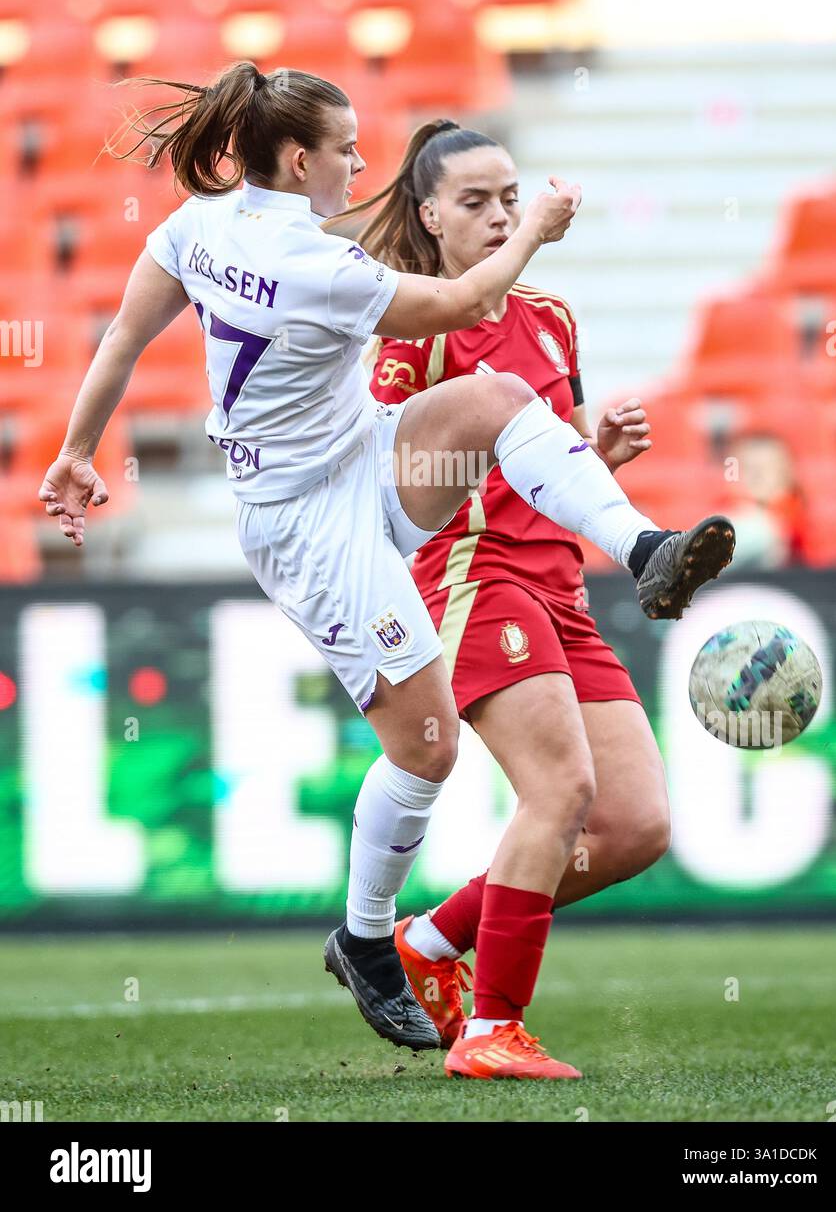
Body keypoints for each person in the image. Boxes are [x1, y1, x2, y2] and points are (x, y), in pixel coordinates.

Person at [36, 63, 735, 1066]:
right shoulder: (316, 269)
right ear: (297, 158)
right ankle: (369, 940)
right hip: (308, 524)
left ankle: (643, 546)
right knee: (429, 746)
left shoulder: (197, 225)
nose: (361, 161)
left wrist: (73, 448)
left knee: (495, 399)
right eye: (347, 146)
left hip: (360, 452)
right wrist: (533, 227)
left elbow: (123, 334)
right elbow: (459, 303)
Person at [353, 120, 689, 1077]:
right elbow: (393, 468)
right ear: (427, 217)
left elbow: (555, 449)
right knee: (560, 791)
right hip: (472, 575)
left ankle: (423, 946)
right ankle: (491, 1031)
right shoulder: (411, 321)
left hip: (559, 583)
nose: (499, 215)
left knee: (631, 825)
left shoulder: (551, 317)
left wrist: (601, 453)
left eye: (508, 197)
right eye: (474, 202)